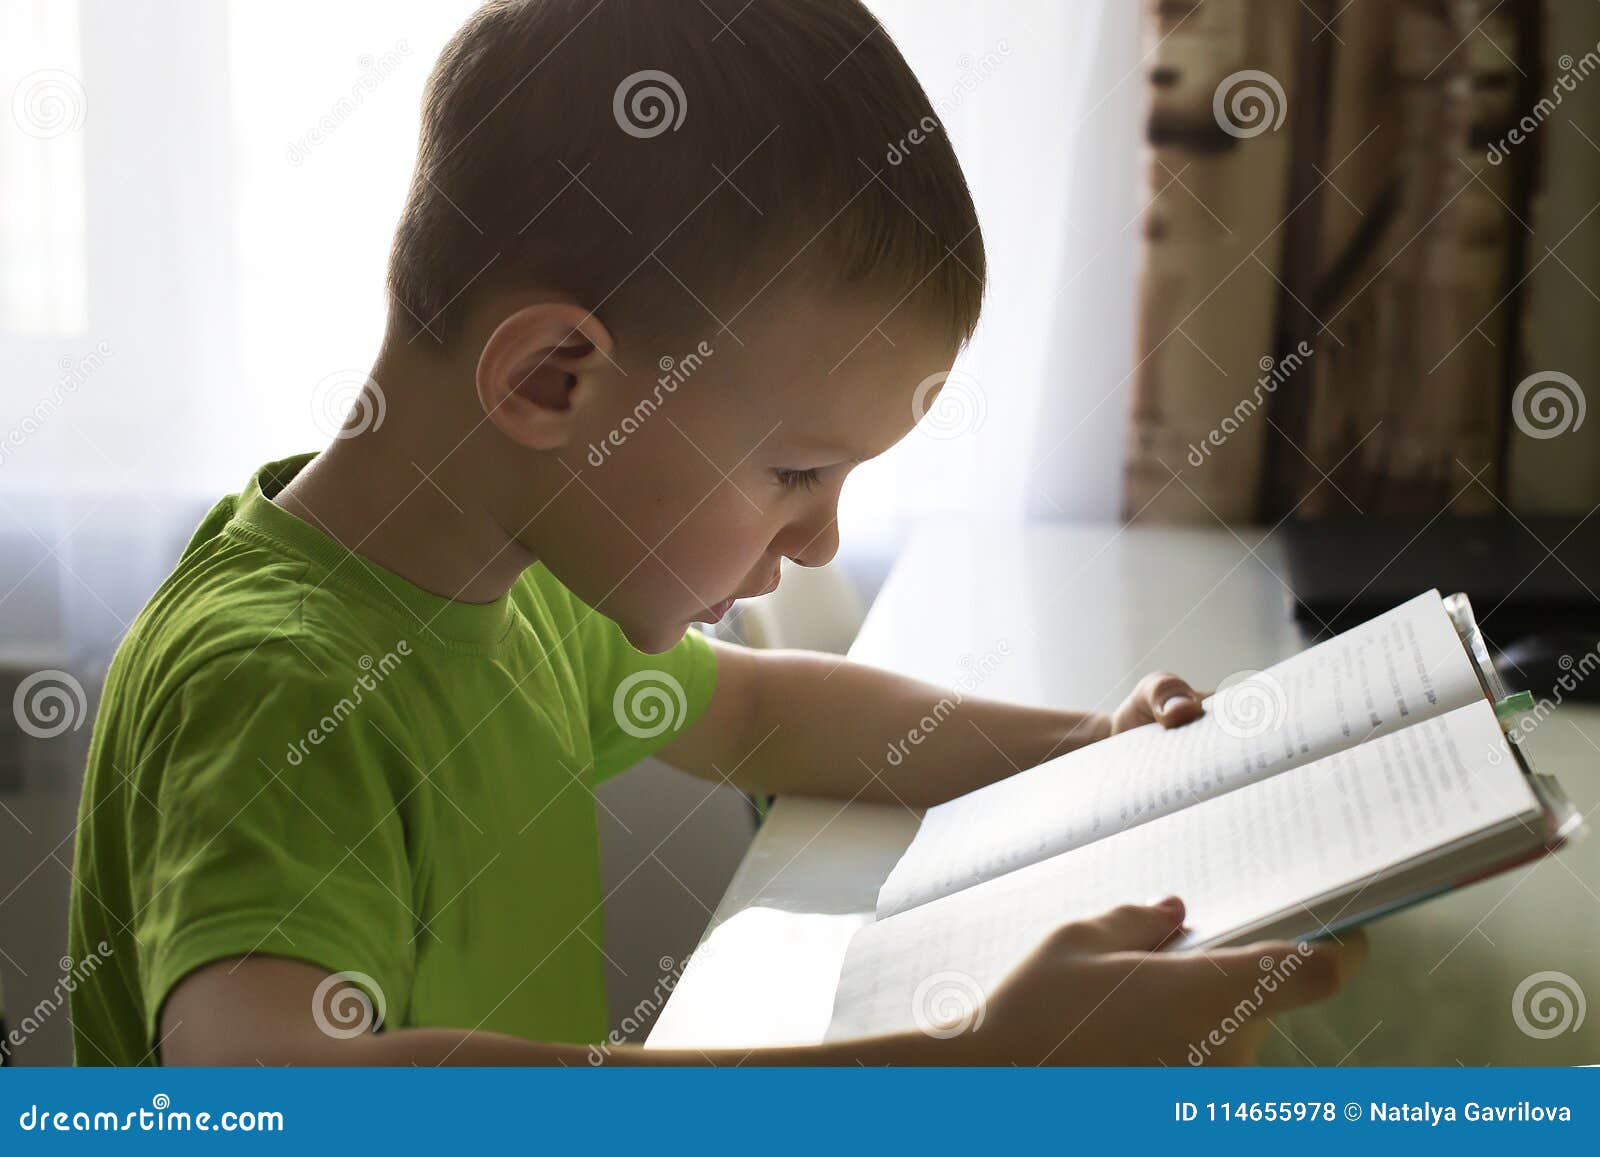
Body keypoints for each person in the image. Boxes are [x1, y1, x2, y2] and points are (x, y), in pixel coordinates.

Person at [69, 0, 1360, 1067]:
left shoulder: (517, 576)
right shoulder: (275, 686)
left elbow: (762, 717)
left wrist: (1092, 753)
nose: (815, 544)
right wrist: (964, 1063)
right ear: (550, 382)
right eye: (796, 469)